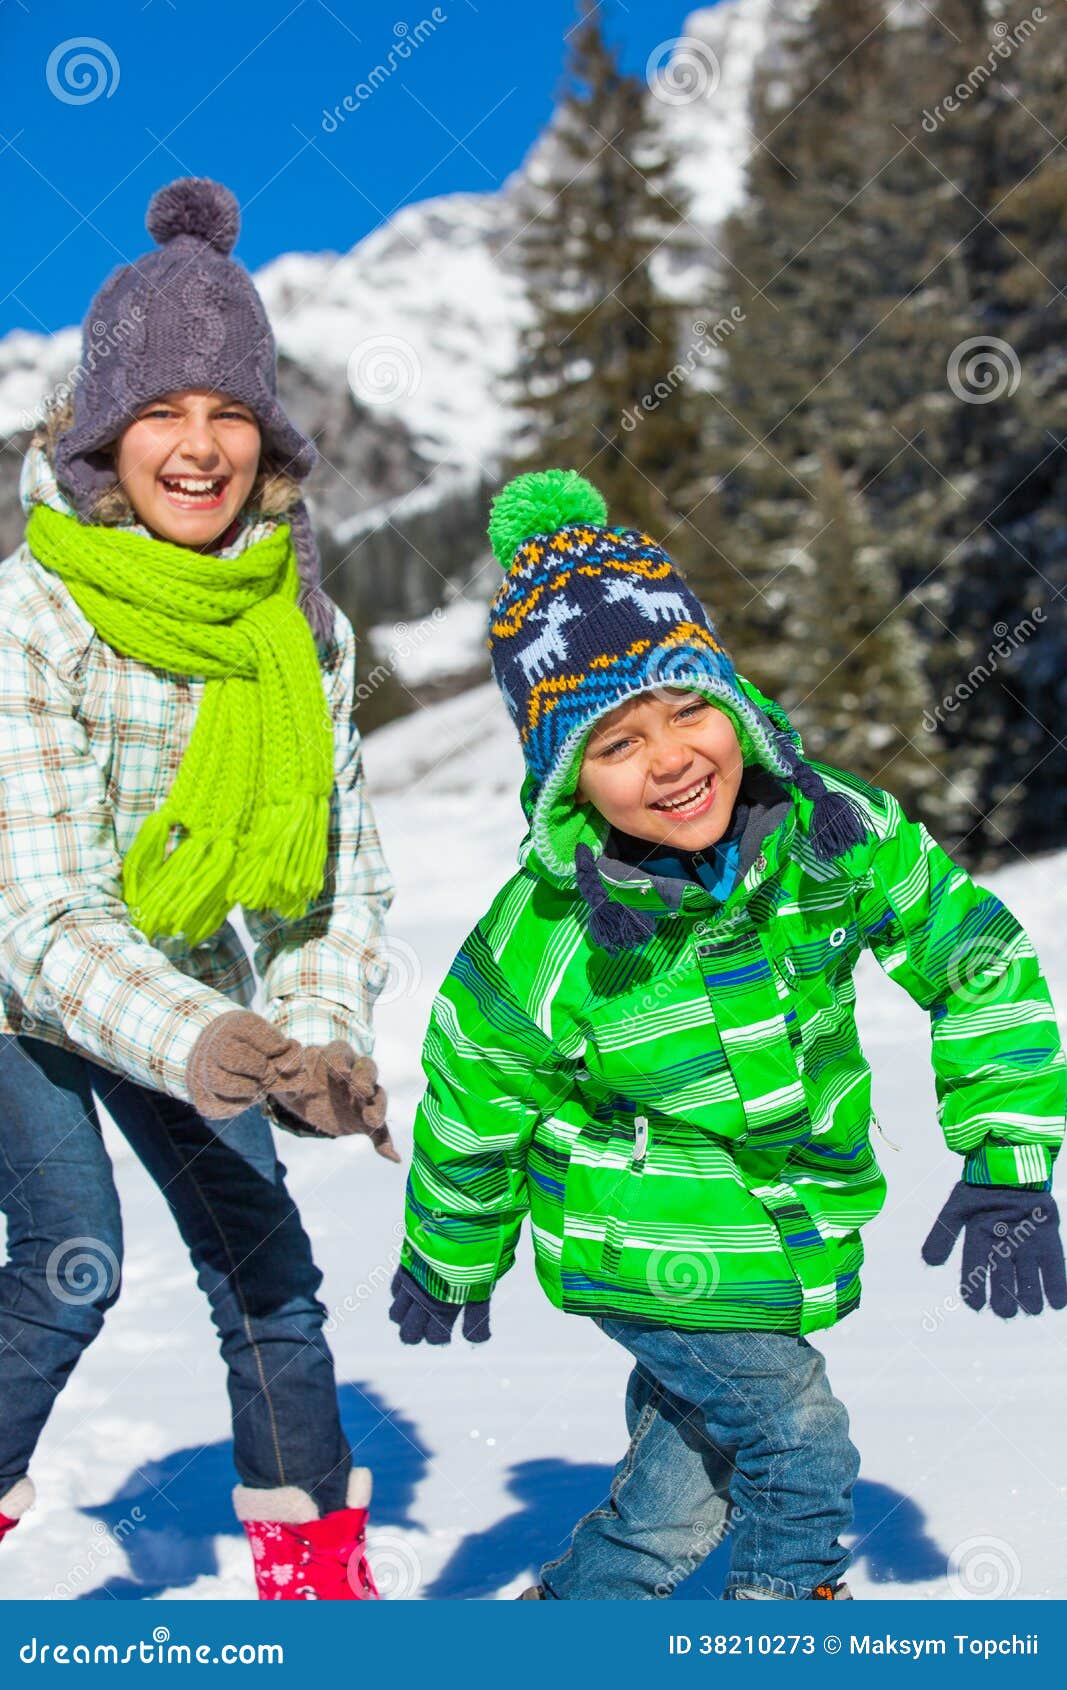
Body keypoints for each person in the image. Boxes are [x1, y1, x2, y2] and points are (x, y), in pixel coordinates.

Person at [389, 467, 1066, 1600]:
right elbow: (476, 1086)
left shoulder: (828, 833)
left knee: (678, 1501)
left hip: (781, 1230)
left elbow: (970, 955)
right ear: (566, 783)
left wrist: (1007, 1146)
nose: (668, 758)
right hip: (639, 1242)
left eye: (687, 707)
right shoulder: (550, 929)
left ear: (734, 701)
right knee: (798, 1446)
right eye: (613, 743)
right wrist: (452, 1246)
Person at [0, 177, 398, 1601]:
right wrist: (212, 1043)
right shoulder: (32, 612)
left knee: (269, 1273)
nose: (200, 443)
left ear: (268, 444)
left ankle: (312, 1572)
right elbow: (40, 918)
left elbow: (329, 880)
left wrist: (316, 1033)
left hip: (185, 983)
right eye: (164, 409)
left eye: (230, 411)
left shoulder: (299, 627)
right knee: (73, 1261)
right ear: (106, 434)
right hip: (22, 986)